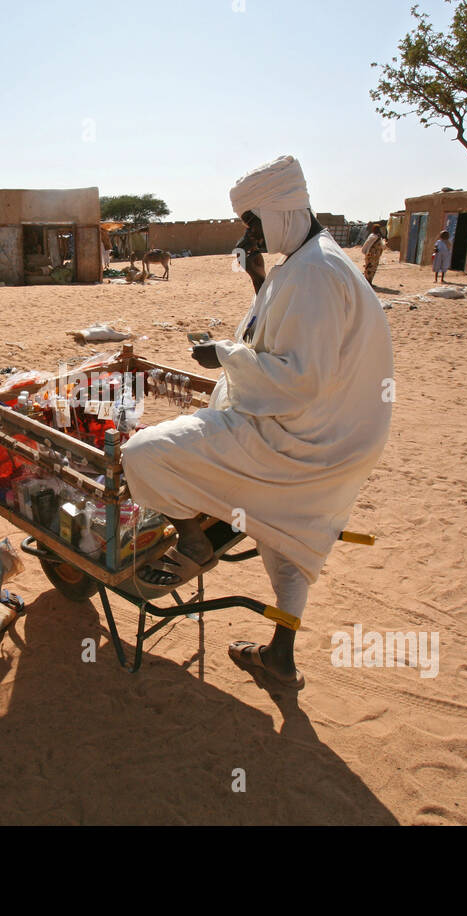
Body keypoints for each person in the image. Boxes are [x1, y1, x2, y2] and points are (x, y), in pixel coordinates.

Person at [121, 156, 393, 692]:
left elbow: (298, 380)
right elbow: (288, 341)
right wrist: (257, 279)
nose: (248, 232)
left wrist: (221, 355)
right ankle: (280, 659)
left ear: (280, 209)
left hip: (299, 437)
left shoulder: (314, 272)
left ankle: (196, 538)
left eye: (252, 220)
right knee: (287, 535)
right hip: (336, 441)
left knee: (142, 454)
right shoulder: (310, 260)